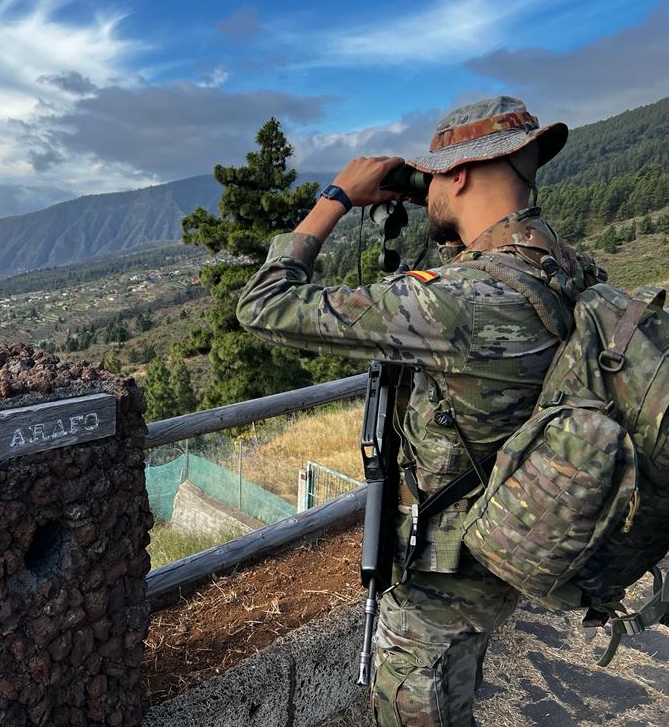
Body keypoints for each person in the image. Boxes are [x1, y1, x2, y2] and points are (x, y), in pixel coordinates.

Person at [236, 96, 605, 726]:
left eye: (434, 175)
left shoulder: (458, 301)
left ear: (458, 174)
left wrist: (337, 195)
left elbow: (263, 305)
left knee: (419, 701)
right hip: (510, 540)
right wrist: (438, 210)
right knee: (457, 681)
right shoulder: (565, 270)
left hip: (449, 567)